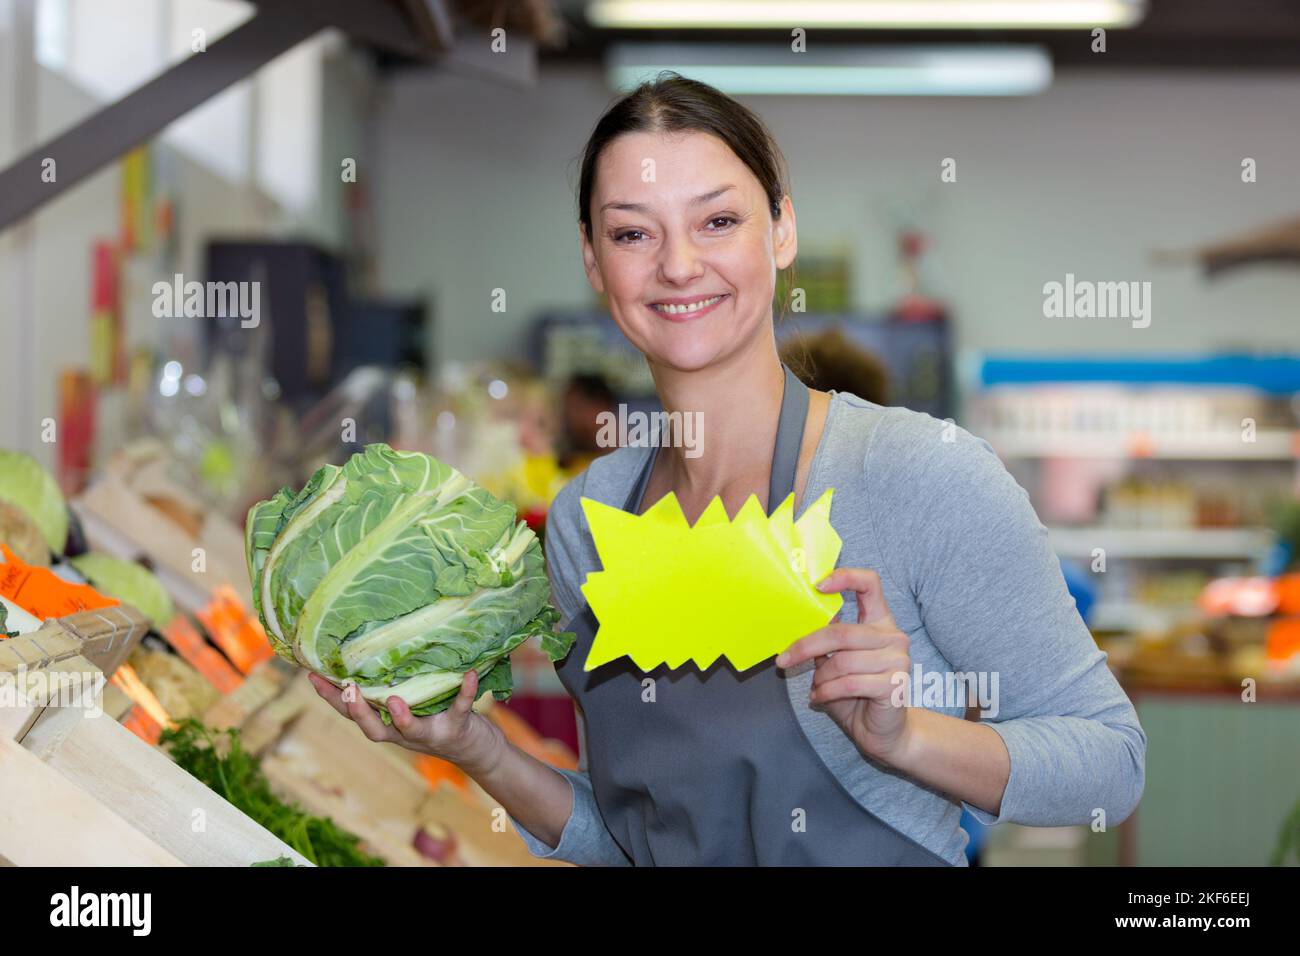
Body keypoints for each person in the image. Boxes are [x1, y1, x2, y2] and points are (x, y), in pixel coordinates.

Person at [311, 72, 1146, 866]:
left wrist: (908, 738)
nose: (678, 265)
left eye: (718, 222)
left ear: (781, 230)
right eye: (633, 232)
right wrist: (475, 748)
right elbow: (630, 839)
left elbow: (1111, 763)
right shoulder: (586, 522)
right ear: (595, 262)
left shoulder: (918, 476)